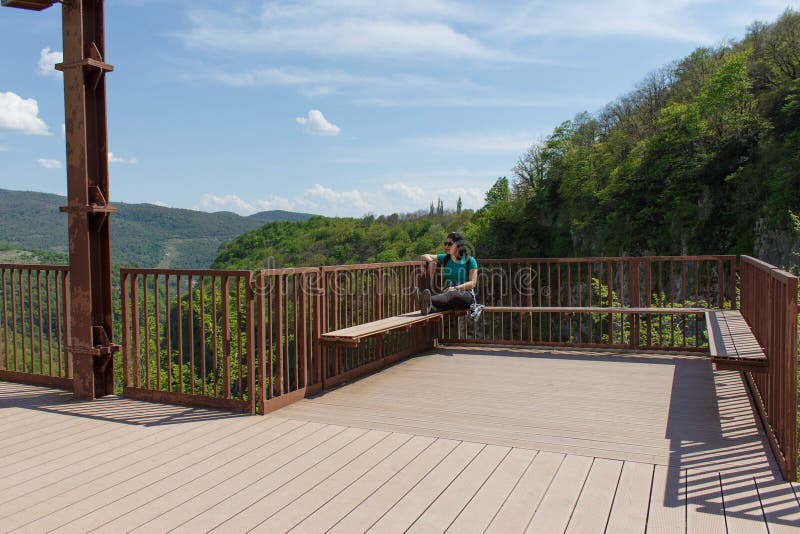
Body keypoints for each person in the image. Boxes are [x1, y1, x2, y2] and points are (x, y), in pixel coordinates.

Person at [418, 231, 478, 314]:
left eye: (449, 244)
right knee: (441, 304)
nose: (446, 246)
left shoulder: (470, 260)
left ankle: (422, 300)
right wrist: (431, 261)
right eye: (445, 244)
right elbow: (424, 256)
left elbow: (473, 283)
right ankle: (428, 307)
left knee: (451, 295)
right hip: (448, 294)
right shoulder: (446, 258)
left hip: (465, 294)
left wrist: (456, 288)